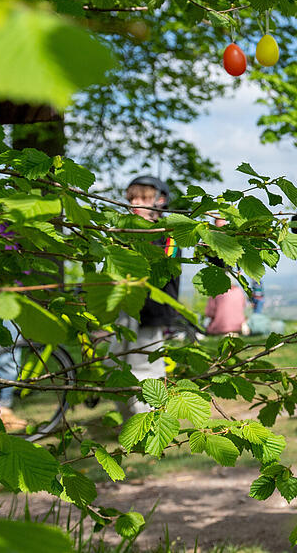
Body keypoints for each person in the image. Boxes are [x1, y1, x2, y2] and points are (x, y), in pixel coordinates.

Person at [113, 175, 182, 417]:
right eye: (132, 198)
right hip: (123, 311)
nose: (135, 203)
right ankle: (127, 418)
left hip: (150, 313)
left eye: (143, 198)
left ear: (160, 201)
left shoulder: (167, 236)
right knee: (116, 364)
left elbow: (164, 264)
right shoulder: (123, 234)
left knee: (145, 367)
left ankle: (148, 421)